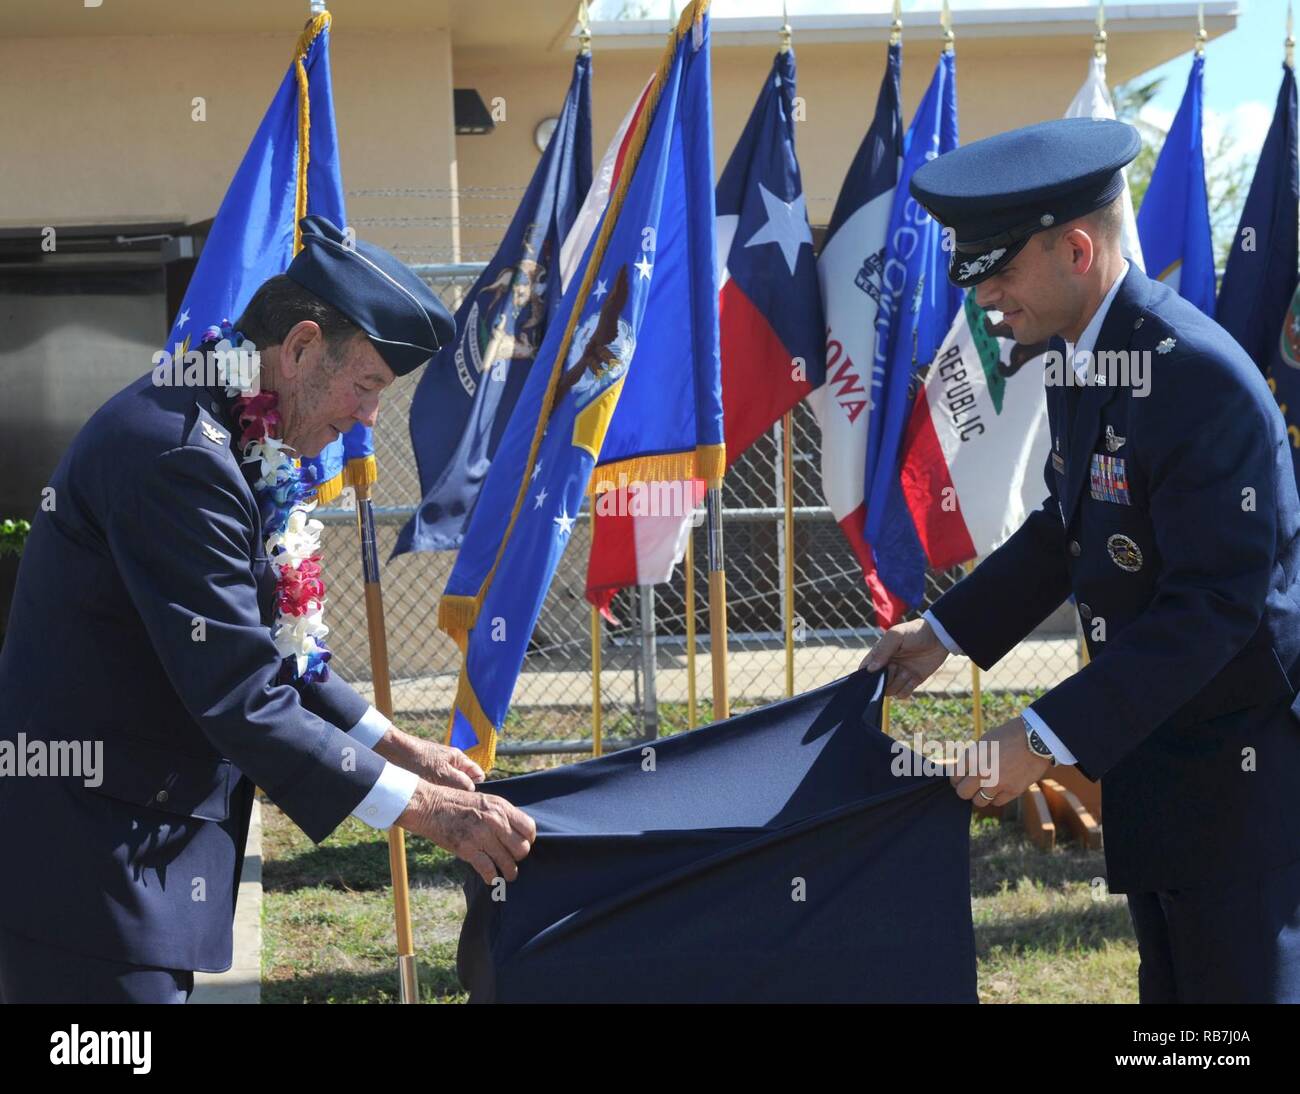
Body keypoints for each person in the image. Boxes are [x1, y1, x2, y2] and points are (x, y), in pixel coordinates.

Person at [0, 216, 535, 1003]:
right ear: (300, 348)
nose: (367, 419)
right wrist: (428, 811)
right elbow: (241, 693)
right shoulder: (181, 455)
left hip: (134, 861)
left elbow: (278, 651)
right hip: (87, 874)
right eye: (369, 386)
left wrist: (400, 746)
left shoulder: (229, 431)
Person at [864, 118, 1300, 1003]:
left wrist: (1037, 738)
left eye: (1000, 268)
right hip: (1159, 767)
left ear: (1075, 250)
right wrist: (942, 633)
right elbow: (1067, 528)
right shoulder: (1086, 356)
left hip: (1235, 784)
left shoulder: (1195, 379)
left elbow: (1212, 608)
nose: (985, 296)